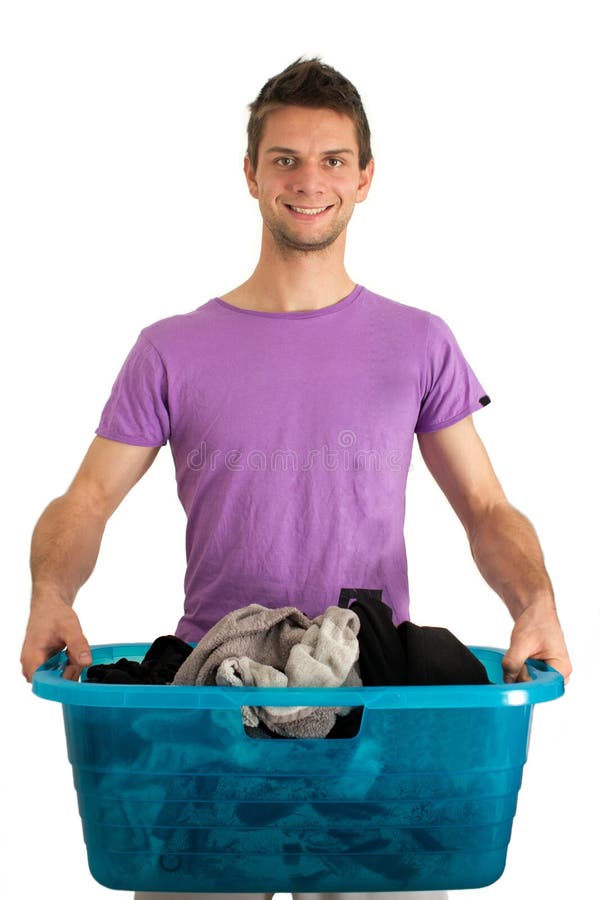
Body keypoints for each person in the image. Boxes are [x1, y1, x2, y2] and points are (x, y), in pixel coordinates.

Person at [21, 57, 571, 900]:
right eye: (284, 158)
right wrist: (50, 590)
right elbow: (88, 497)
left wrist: (536, 603)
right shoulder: (170, 349)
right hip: (214, 698)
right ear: (250, 174)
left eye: (332, 160)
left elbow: (486, 506)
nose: (308, 180)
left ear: (365, 177)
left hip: (375, 704)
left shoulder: (419, 341)